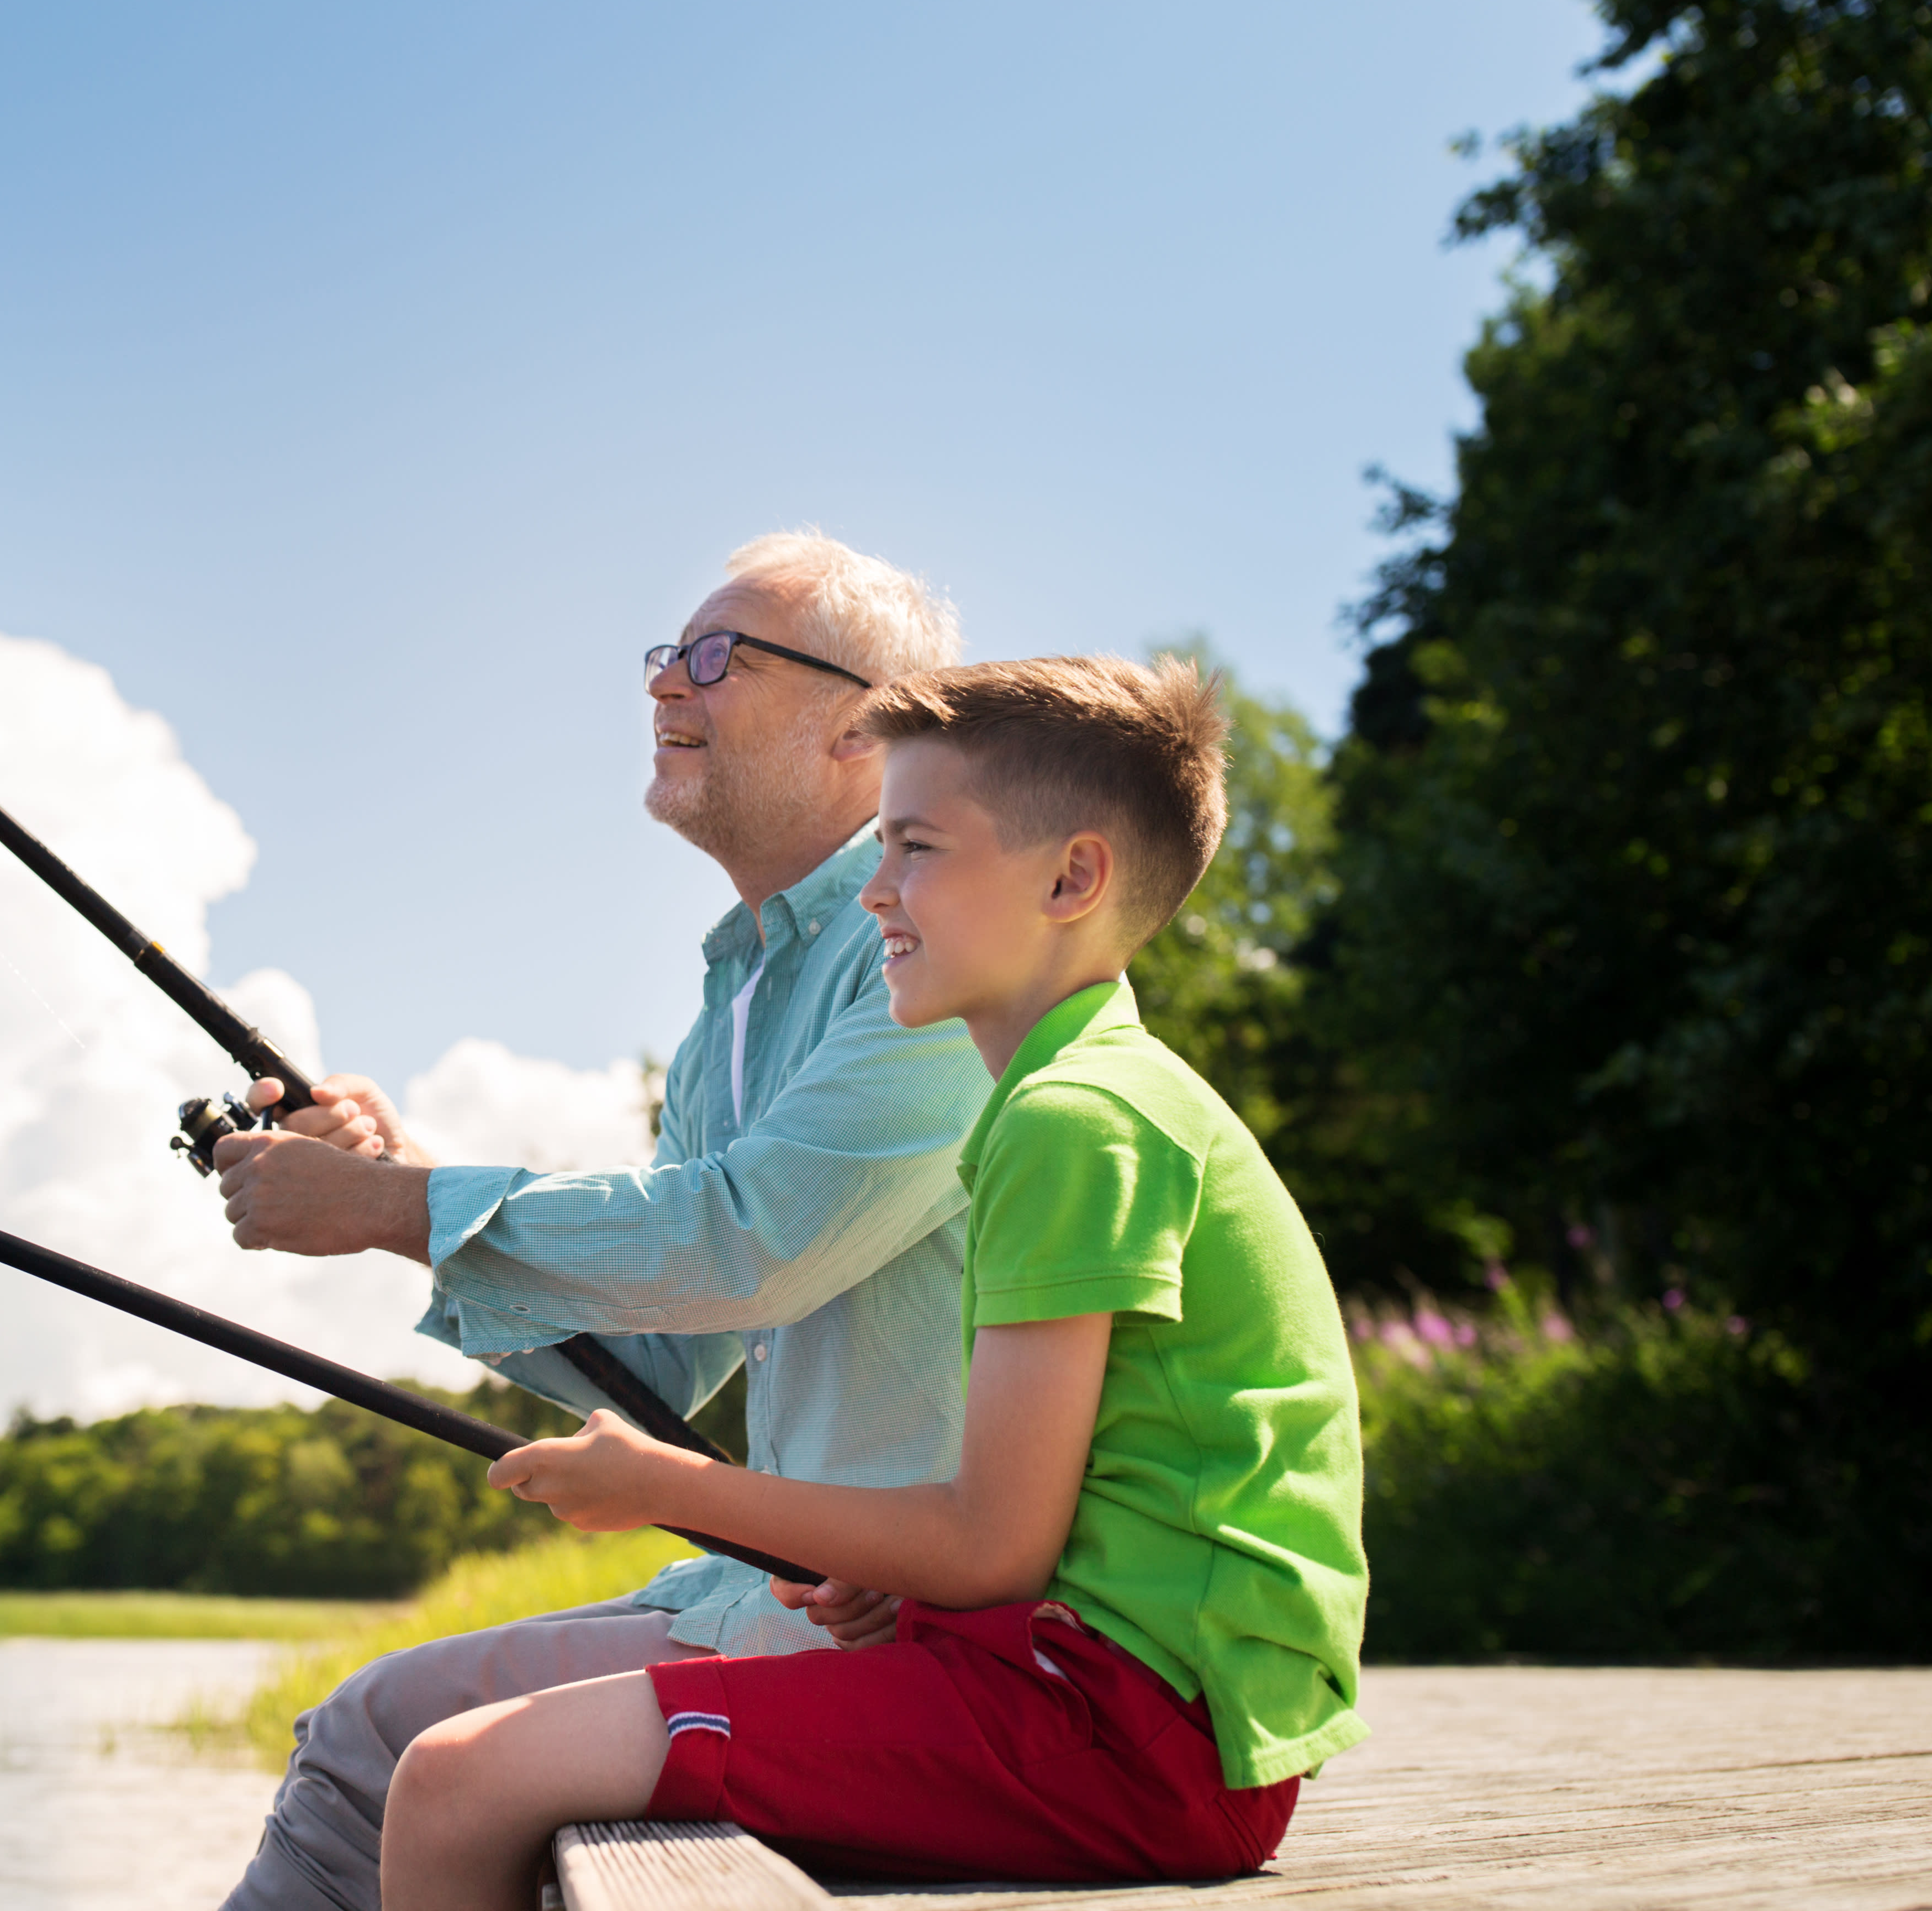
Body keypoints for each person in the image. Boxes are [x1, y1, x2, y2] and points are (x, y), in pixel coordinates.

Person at [377, 655, 1369, 1909]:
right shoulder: (1090, 1094)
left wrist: (665, 1487)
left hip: (1127, 1733)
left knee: (459, 1775)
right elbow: (1037, 1532)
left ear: (1071, 877)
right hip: (1115, 1700)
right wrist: (888, 1584)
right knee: (475, 1767)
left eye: (913, 850)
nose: (874, 895)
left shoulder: (1074, 1118)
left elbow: (988, 1545)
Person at [210, 533, 994, 1911]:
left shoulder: (928, 957)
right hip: (782, 1593)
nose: (661, 688)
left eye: (713, 659)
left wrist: (406, 1201)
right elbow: (662, 1358)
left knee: (369, 1739)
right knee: (364, 1729)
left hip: (904, 1617)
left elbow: (753, 1236)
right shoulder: (729, 1005)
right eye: (661, 657)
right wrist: (406, 1205)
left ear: (860, 725)